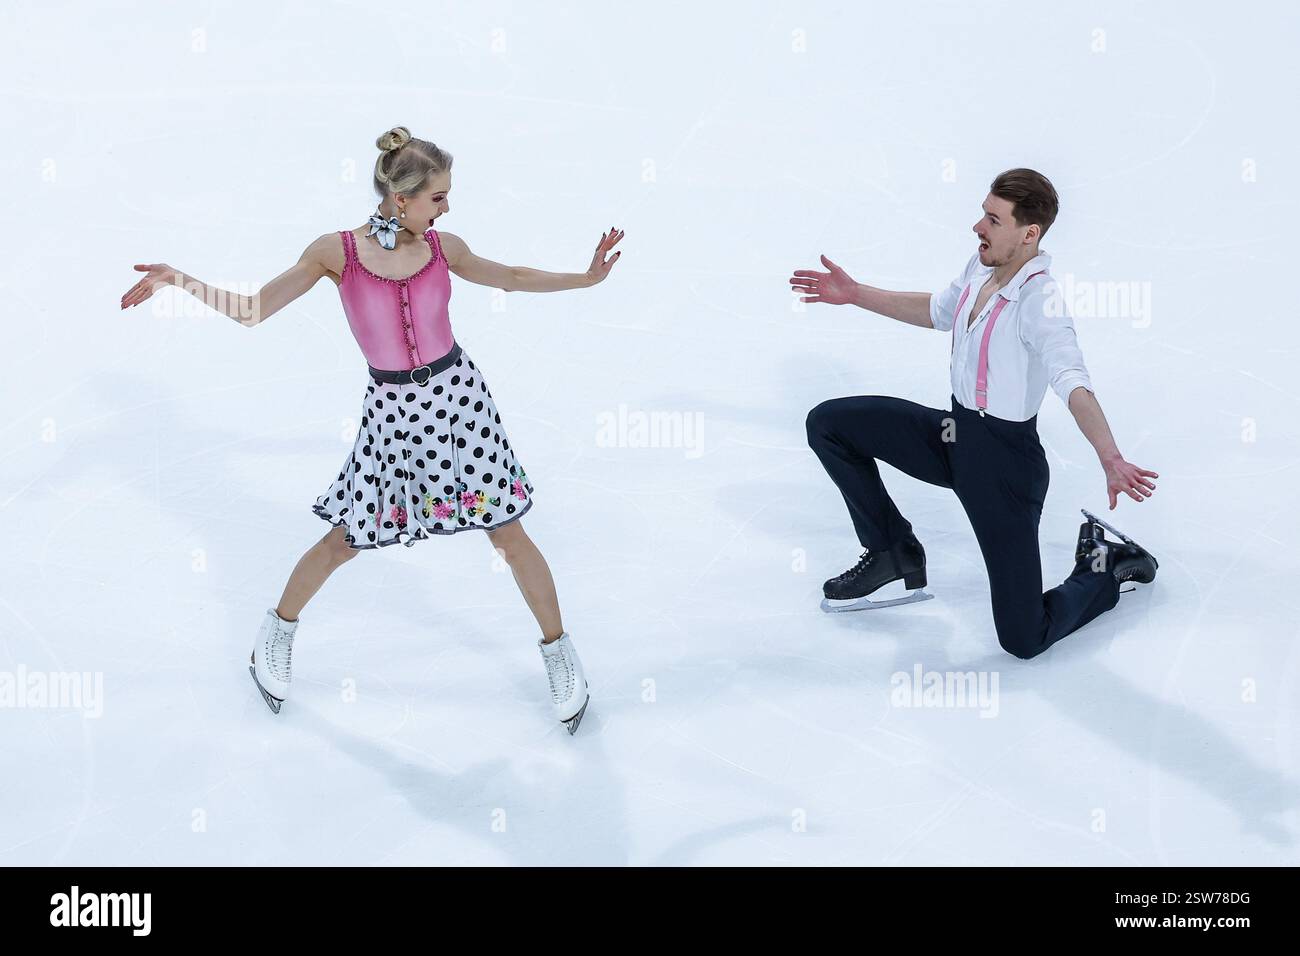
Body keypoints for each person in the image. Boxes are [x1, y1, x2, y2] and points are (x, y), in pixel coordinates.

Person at [119, 125, 625, 729]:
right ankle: (275, 634)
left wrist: (585, 278)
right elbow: (254, 311)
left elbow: (512, 276)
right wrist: (180, 279)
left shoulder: (445, 248)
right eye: (438, 196)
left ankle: (559, 652)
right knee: (348, 538)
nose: (447, 206)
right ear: (401, 198)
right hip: (392, 414)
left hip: (461, 402)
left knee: (507, 532)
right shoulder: (336, 252)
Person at [794, 168, 1158, 659]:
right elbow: (937, 312)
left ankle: (1105, 561)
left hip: (1005, 469)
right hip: (953, 435)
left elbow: (1073, 382)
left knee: (1023, 637)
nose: (977, 227)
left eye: (992, 218)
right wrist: (856, 294)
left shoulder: (1040, 302)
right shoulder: (981, 268)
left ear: (1029, 234)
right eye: (982, 213)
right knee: (830, 424)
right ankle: (891, 551)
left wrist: (1110, 457)